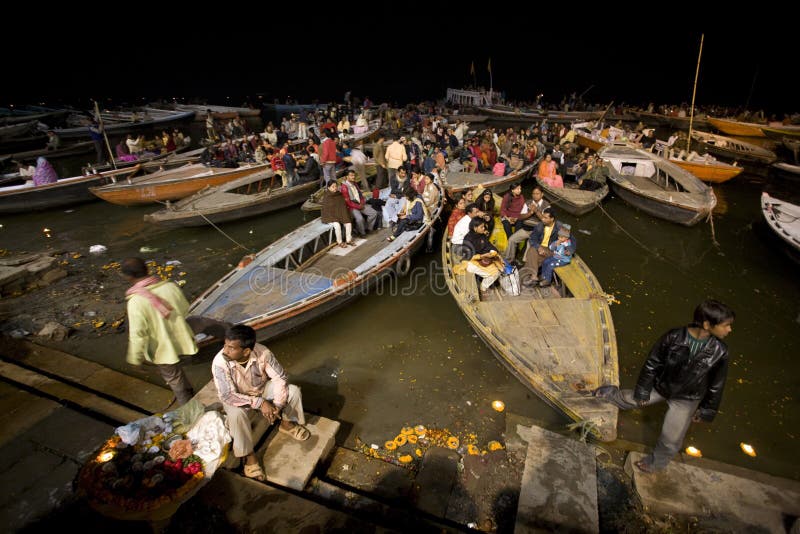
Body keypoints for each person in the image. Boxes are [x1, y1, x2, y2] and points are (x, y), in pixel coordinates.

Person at [593, 300, 735, 474]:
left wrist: (706, 410)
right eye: (726, 325)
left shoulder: (720, 351)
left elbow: (717, 384)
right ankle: (611, 393)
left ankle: (656, 463)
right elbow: (652, 364)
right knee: (631, 399)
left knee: (671, 439)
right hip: (662, 386)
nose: (729, 330)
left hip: (687, 398)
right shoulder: (673, 337)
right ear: (707, 325)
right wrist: (643, 391)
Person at [212, 325, 309, 482]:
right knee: (236, 415)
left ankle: (286, 424)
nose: (225, 350)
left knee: (293, 391)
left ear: (246, 351)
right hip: (236, 398)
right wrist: (260, 403)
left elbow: (280, 378)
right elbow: (227, 395)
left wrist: (277, 406)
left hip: (260, 389)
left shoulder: (263, 352)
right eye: (225, 345)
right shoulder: (219, 362)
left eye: (231, 347)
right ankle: (249, 456)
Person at [122, 257, 197, 406]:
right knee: (179, 371)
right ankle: (190, 392)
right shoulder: (170, 286)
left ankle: (190, 408)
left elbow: (138, 335)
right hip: (183, 341)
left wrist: (135, 359)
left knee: (175, 380)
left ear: (128, 277)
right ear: (147, 269)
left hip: (162, 350)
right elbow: (185, 309)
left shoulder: (135, 302)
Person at [321, 180, 353, 247]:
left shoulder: (339, 194)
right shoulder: (327, 196)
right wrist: (335, 218)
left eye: (336, 186)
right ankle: (340, 242)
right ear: (328, 188)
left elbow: (342, 206)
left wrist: (343, 215)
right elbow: (326, 210)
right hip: (330, 217)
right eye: (333, 187)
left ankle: (348, 240)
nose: (335, 188)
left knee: (348, 223)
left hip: (340, 215)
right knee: (337, 225)